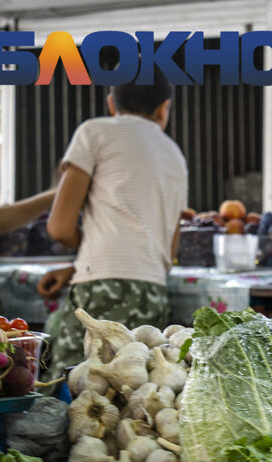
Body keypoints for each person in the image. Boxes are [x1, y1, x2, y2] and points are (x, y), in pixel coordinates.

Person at [39, 69, 187, 378]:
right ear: (164, 108)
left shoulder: (95, 132)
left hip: (100, 289)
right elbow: (165, 249)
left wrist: (95, 256)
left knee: (74, 385)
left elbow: (59, 228)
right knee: (131, 391)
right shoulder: (175, 155)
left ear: (111, 104)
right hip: (153, 293)